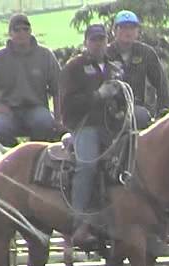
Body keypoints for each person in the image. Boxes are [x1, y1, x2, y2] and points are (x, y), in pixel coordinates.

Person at [61, 24, 122, 250]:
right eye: (94, 40)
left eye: (102, 39)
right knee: (87, 165)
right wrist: (97, 95)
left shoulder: (115, 68)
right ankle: (79, 223)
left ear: (107, 41)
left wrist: (119, 100)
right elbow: (68, 104)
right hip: (85, 126)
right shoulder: (74, 67)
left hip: (113, 128)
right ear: (86, 42)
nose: (98, 44)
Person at [0, 13, 62, 147]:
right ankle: (12, 155)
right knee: (0, 127)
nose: (22, 33)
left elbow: (58, 89)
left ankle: (35, 154)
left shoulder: (45, 55)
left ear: (30, 31)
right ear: (10, 33)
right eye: (17, 30)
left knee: (44, 122)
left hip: (36, 108)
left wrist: (58, 119)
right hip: (7, 110)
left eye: (25, 29)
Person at [107, 9, 169, 128]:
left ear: (138, 31)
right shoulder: (106, 53)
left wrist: (164, 112)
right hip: (109, 110)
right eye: (123, 28)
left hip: (137, 107)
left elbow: (161, 84)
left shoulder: (146, 53)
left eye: (132, 28)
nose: (128, 32)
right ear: (114, 31)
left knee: (141, 116)